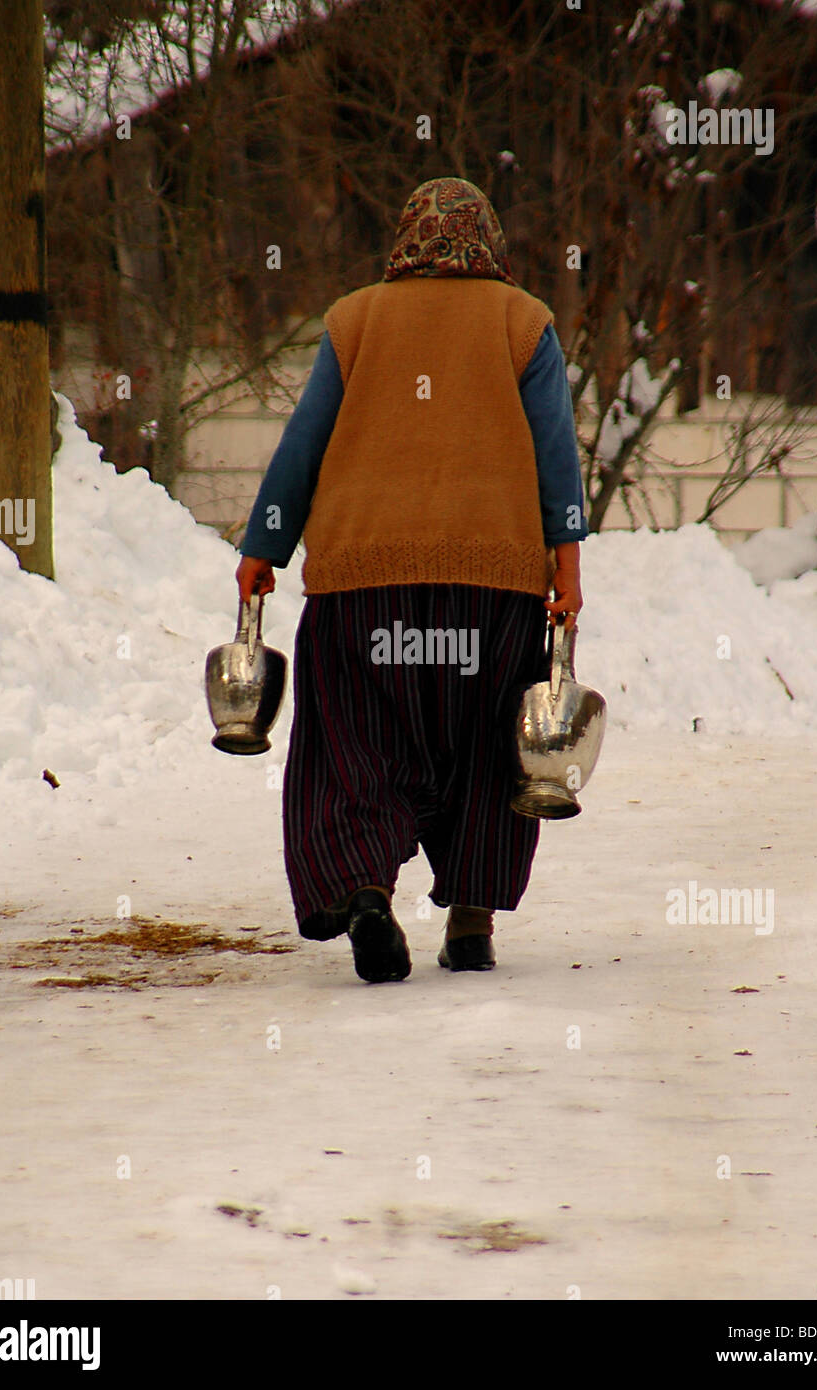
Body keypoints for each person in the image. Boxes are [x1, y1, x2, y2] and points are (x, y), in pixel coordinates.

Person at [236, 175, 586, 984]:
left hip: (365, 587)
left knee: (357, 746)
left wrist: (266, 545)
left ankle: (364, 889)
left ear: (405, 241)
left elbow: (303, 443)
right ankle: (469, 924)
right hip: (489, 589)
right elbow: (554, 454)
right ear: (486, 244)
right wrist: (566, 563)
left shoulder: (355, 320)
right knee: (486, 750)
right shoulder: (521, 320)